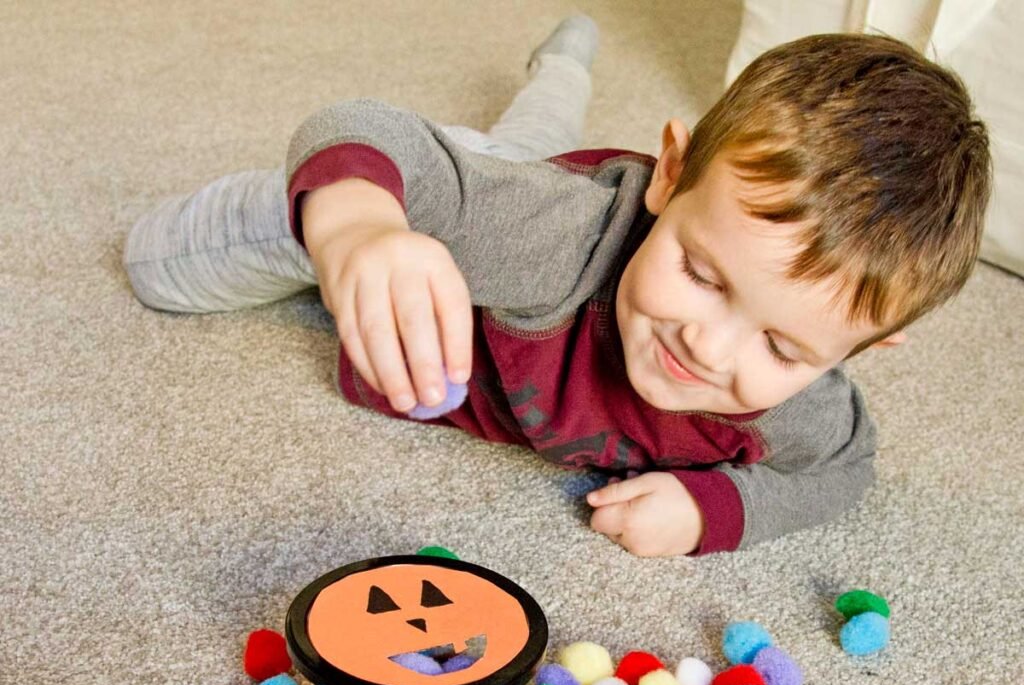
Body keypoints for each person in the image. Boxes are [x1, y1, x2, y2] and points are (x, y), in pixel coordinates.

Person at [123, 17, 991, 557]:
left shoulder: (804, 410)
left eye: (782, 346)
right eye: (700, 273)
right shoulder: (552, 236)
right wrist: (356, 229)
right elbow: (363, 127)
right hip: (486, 215)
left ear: (861, 348)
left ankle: (564, 62)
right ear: (670, 174)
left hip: (523, 184)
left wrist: (714, 509)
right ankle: (345, 211)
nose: (707, 346)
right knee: (170, 266)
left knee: (529, 137)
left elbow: (844, 472)